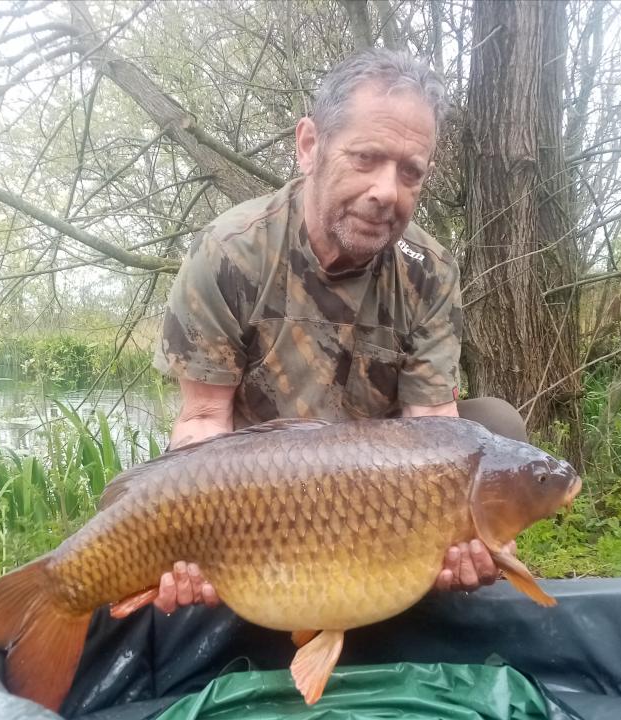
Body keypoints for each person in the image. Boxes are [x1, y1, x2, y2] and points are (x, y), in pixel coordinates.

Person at [151, 48, 524, 615]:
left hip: (375, 496)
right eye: (367, 158)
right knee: (171, 506)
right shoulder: (231, 252)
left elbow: (433, 428)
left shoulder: (428, 269)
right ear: (309, 146)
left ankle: (398, 584)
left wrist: (465, 527)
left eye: (410, 172)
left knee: (495, 427)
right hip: (262, 491)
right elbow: (204, 421)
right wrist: (191, 536)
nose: (387, 192)